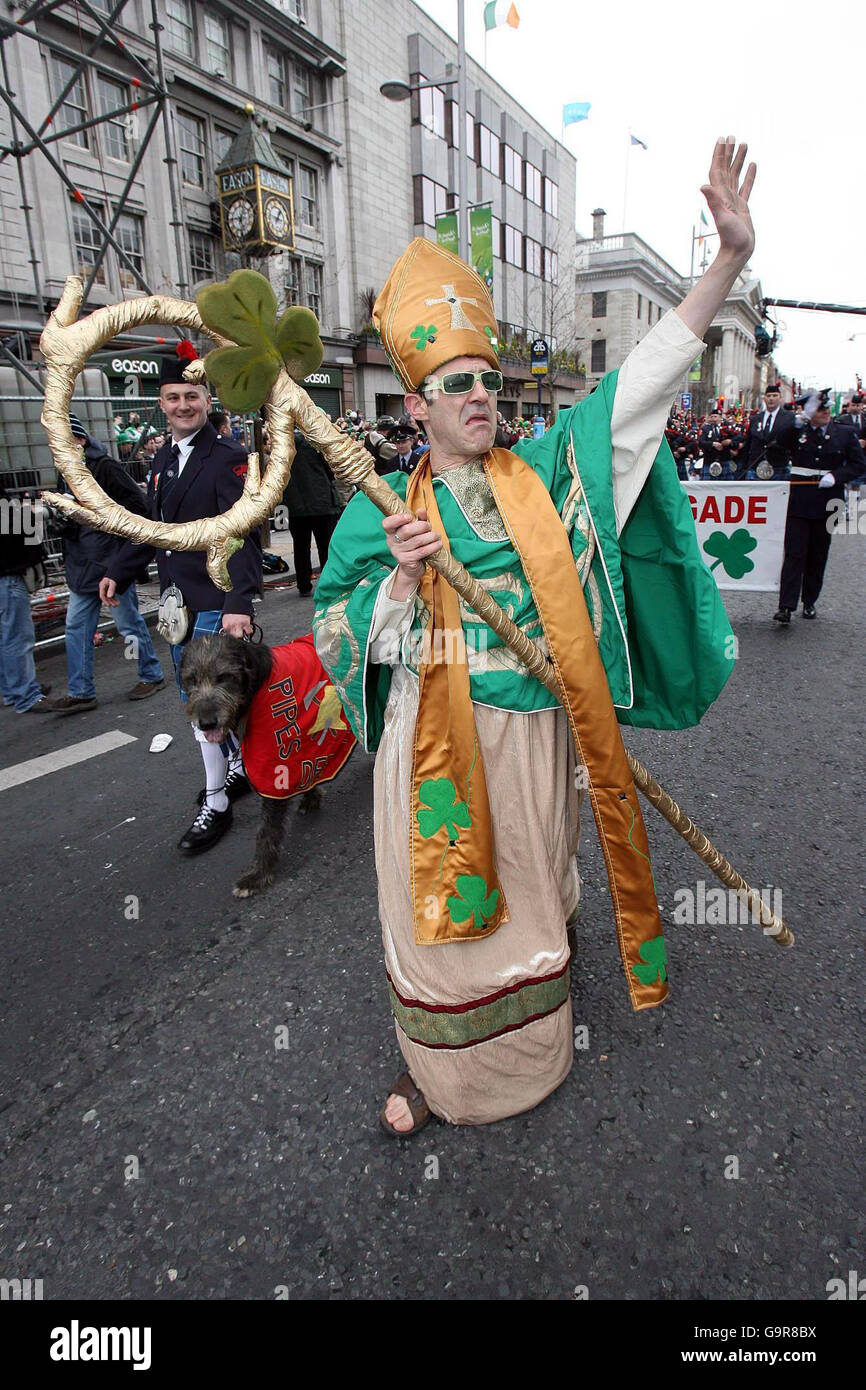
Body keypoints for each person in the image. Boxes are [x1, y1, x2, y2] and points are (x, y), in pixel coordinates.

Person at [313, 137, 754, 1133]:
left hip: (526, 734)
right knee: (443, 919)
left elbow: (633, 396)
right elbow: (338, 639)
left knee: (519, 907)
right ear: (416, 402)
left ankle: (526, 1057)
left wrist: (721, 264)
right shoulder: (376, 509)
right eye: (455, 385)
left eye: (487, 381)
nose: (479, 397)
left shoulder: (546, 472)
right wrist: (399, 575)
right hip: (434, 753)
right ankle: (442, 1076)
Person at [99, 343, 262, 853]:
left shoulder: (230, 458)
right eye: (173, 397)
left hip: (215, 603)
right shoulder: (164, 457)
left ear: (207, 399)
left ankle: (216, 803)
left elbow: (243, 534)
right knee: (201, 705)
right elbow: (154, 526)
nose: (182, 405)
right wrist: (120, 571)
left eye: (191, 396)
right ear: (162, 402)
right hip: (177, 610)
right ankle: (237, 770)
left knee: (209, 708)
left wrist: (239, 601)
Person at [45, 415, 165, 714]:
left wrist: (120, 554)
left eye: (61, 441)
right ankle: (81, 691)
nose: (56, 448)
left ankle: (150, 673)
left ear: (80, 441)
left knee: (128, 624)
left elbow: (139, 508)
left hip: (110, 566)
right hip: (80, 564)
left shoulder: (105, 467)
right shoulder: (67, 470)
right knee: (76, 628)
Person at [773, 395, 863, 624]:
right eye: (819, 409)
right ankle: (786, 606)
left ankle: (809, 600)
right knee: (794, 553)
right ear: (810, 412)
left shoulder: (844, 432)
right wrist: (798, 420)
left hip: (828, 500)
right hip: (800, 501)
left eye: (826, 409)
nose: (825, 412)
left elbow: (859, 464)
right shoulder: (799, 432)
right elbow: (779, 442)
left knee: (818, 552)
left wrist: (836, 476)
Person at [0, 478, 52, 713]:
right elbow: (11, 529)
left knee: (6, 636)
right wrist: (29, 514)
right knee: (16, 637)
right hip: (6, 574)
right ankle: (25, 695)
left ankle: (13, 690)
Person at [284, 429, 343, 596]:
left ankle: (303, 584)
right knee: (325, 546)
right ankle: (327, 584)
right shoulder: (316, 440)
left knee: (301, 546)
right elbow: (331, 469)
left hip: (296, 502)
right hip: (321, 500)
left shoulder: (285, 442)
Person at [739, 383, 796, 480]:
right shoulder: (755, 419)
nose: (771, 398)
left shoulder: (789, 418)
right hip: (755, 467)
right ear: (764, 398)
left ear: (780, 398)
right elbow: (748, 444)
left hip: (778, 467)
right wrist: (744, 467)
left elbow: (792, 443)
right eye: (768, 396)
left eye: (775, 396)